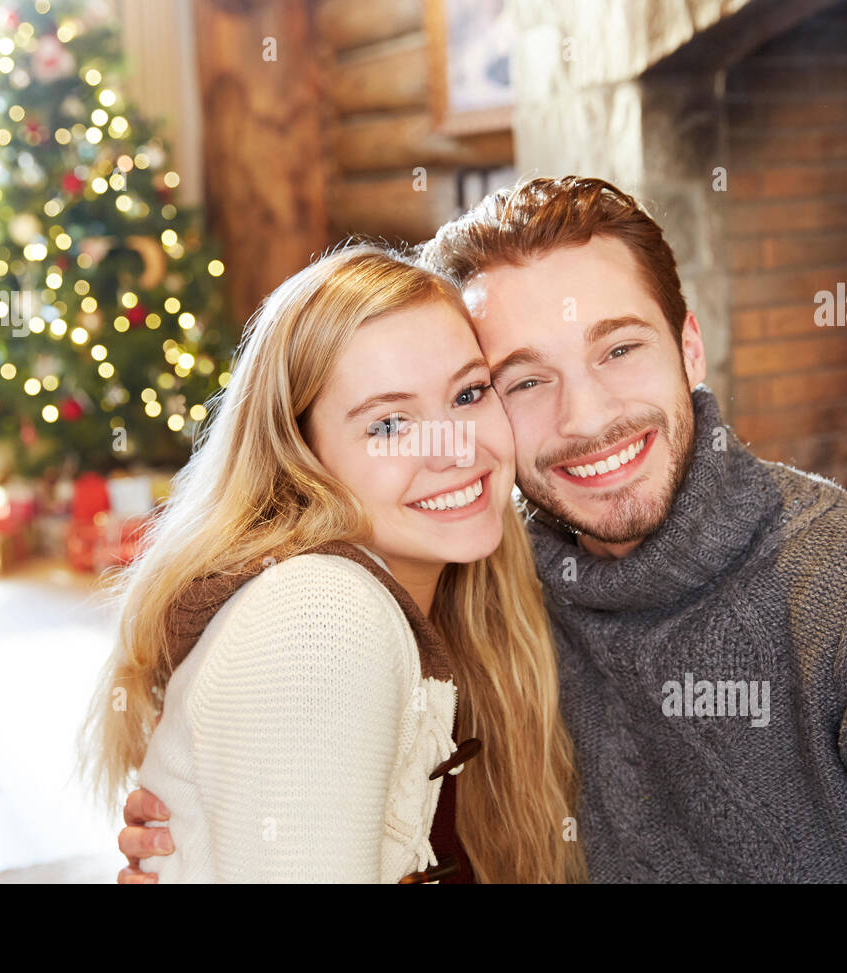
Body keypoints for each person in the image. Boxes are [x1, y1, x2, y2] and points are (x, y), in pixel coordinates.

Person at [118, 176, 847, 882]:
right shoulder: (474, 575)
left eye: (619, 348)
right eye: (524, 379)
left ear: (690, 345)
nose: (586, 418)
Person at [83, 243, 585, 883]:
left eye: (468, 394)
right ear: (300, 456)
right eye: (389, 424)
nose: (456, 450)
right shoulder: (321, 616)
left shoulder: (462, 599)